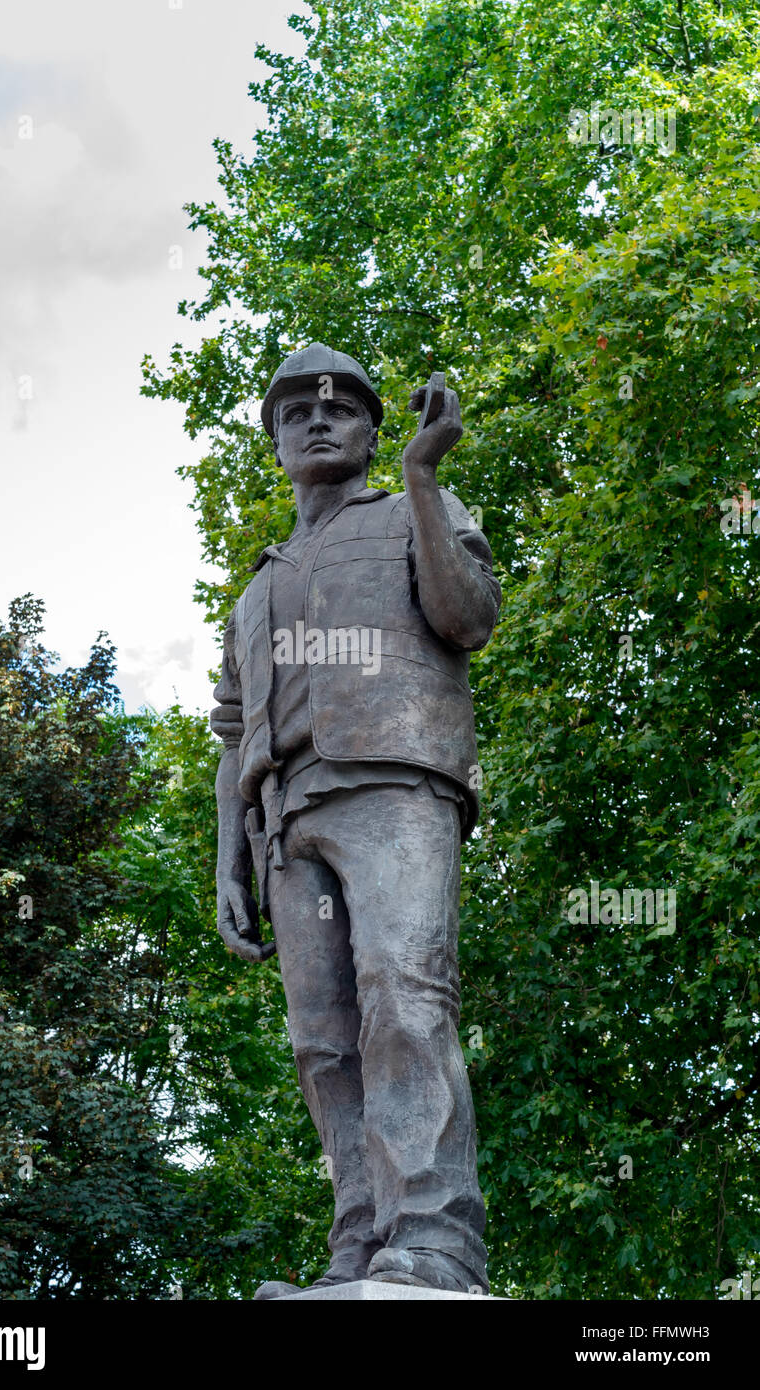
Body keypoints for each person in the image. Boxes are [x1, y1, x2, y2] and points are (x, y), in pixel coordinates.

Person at [210, 344, 501, 1297]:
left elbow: (467, 619)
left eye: (340, 408)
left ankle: (436, 1243)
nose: (319, 421)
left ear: (376, 431)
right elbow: (231, 735)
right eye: (296, 413)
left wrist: (423, 475)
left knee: (404, 997)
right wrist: (229, 865)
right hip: (289, 825)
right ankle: (362, 1244)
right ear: (277, 442)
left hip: (396, 784)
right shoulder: (255, 588)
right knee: (322, 1040)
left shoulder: (419, 510)